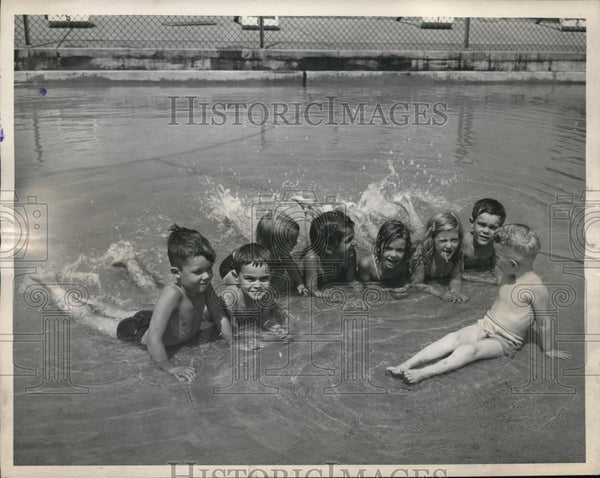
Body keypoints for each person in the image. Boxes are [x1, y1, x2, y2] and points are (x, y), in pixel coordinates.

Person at [387, 224, 571, 383]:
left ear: (513, 264)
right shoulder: (509, 273)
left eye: (498, 257)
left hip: (505, 340)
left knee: (469, 350)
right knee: (453, 337)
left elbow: (545, 322)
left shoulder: (535, 288)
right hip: (485, 324)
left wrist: (549, 349)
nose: (494, 260)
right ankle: (406, 364)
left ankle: (423, 372)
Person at [116, 225, 232, 382]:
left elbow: (219, 315)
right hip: (137, 331)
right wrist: (170, 368)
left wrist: (233, 342)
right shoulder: (172, 294)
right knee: (109, 319)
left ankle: (129, 263)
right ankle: (84, 307)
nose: (206, 276)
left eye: (209, 269)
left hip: (156, 320)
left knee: (151, 290)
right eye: (198, 272)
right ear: (176, 273)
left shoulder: (205, 286)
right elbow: (153, 340)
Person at [219, 212, 308, 296]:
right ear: (276, 247)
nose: (296, 243)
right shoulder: (257, 258)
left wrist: (300, 284)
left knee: (279, 272)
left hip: (261, 259)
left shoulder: (281, 252)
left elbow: (291, 265)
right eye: (292, 242)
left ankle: (231, 224)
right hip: (230, 268)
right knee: (243, 290)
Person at [218, 243, 288, 336]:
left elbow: (265, 318)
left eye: (264, 279)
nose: (258, 285)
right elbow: (231, 328)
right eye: (250, 279)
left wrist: (276, 328)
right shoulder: (230, 299)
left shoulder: (267, 296)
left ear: (271, 276)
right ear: (236, 277)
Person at [410, 211, 468, 303]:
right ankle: (409, 206)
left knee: (420, 228)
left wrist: (455, 292)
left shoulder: (457, 253)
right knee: (417, 230)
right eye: (443, 240)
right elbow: (416, 284)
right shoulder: (422, 256)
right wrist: (439, 293)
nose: (449, 246)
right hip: (415, 245)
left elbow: (456, 277)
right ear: (432, 240)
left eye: (454, 240)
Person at [301, 210, 357, 296]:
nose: (355, 243)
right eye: (348, 240)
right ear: (329, 248)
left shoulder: (350, 255)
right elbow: (312, 291)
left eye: (353, 238)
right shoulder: (312, 259)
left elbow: (352, 282)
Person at [358, 219, 412, 297]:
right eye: (388, 248)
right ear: (380, 246)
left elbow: (405, 280)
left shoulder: (404, 263)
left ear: (405, 251)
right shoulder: (367, 265)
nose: (393, 255)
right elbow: (366, 289)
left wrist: (406, 287)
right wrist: (390, 291)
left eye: (400, 250)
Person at [462, 198, 506, 284]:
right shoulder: (462, 244)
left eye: (492, 227)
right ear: (472, 223)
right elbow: (456, 274)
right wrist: (489, 281)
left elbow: (496, 266)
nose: (486, 231)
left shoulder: (495, 246)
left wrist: (500, 278)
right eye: (482, 225)